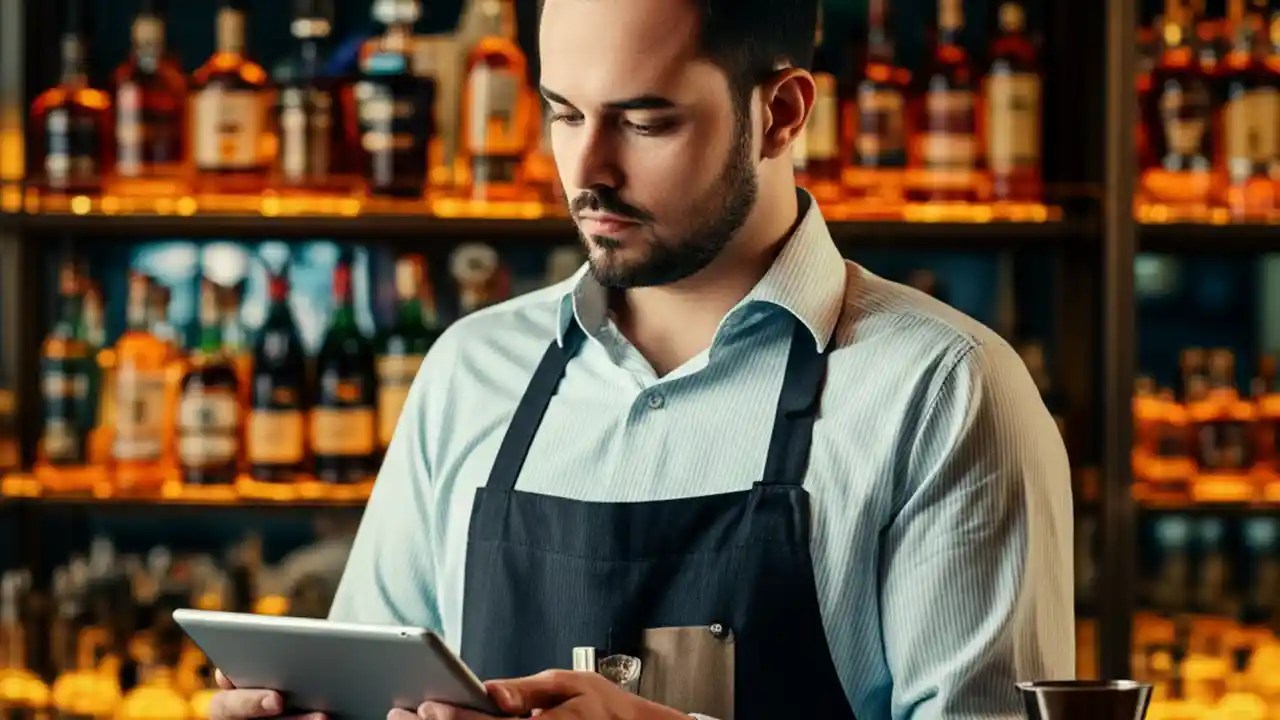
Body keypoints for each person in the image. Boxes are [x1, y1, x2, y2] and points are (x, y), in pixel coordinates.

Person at [209, 0, 1074, 718]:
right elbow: (380, 691)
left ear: (780, 114)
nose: (587, 169)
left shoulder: (943, 391)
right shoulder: (472, 371)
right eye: (564, 113)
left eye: (644, 120)